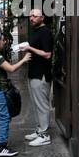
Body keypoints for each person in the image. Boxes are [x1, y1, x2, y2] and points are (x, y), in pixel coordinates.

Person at [0, 30, 30, 157]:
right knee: (4, 116)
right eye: (2, 40)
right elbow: (11, 69)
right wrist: (24, 59)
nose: (4, 41)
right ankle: (1, 146)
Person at [22, 9, 53, 146]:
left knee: (42, 105)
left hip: (41, 74)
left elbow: (47, 54)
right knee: (36, 104)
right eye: (30, 15)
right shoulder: (35, 31)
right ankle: (40, 130)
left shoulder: (45, 32)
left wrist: (30, 48)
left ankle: (45, 135)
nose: (31, 18)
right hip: (33, 72)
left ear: (42, 18)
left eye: (34, 16)